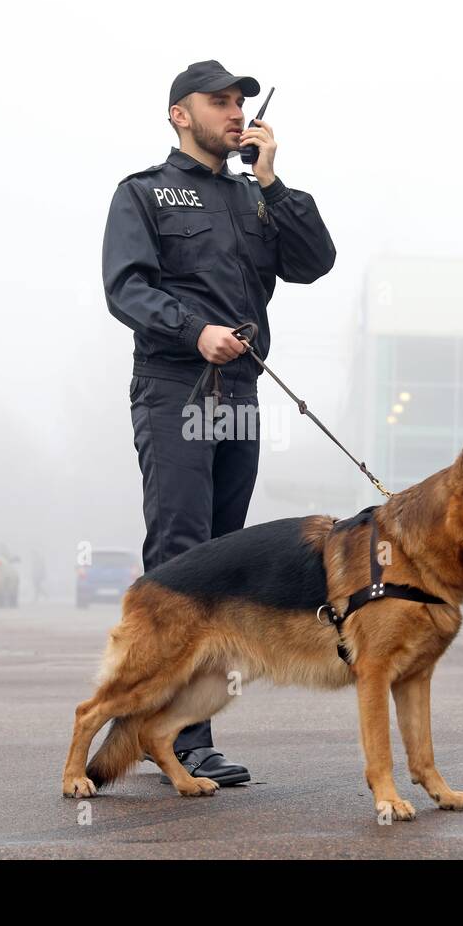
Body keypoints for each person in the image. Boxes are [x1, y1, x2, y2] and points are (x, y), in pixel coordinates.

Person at [102, 60, 337, 787]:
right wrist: (193, 328)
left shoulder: (253, 197)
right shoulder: (144, 192)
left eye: (241, 101)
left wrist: (272, 181)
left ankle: (156, 726)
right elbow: (126, 287)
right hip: (177, 385)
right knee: (182, 554)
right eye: (219, 101)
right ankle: (177, 735)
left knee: (225, 560)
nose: (235, 111)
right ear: (180, 113)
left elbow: (315, 262)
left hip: (241, 390)